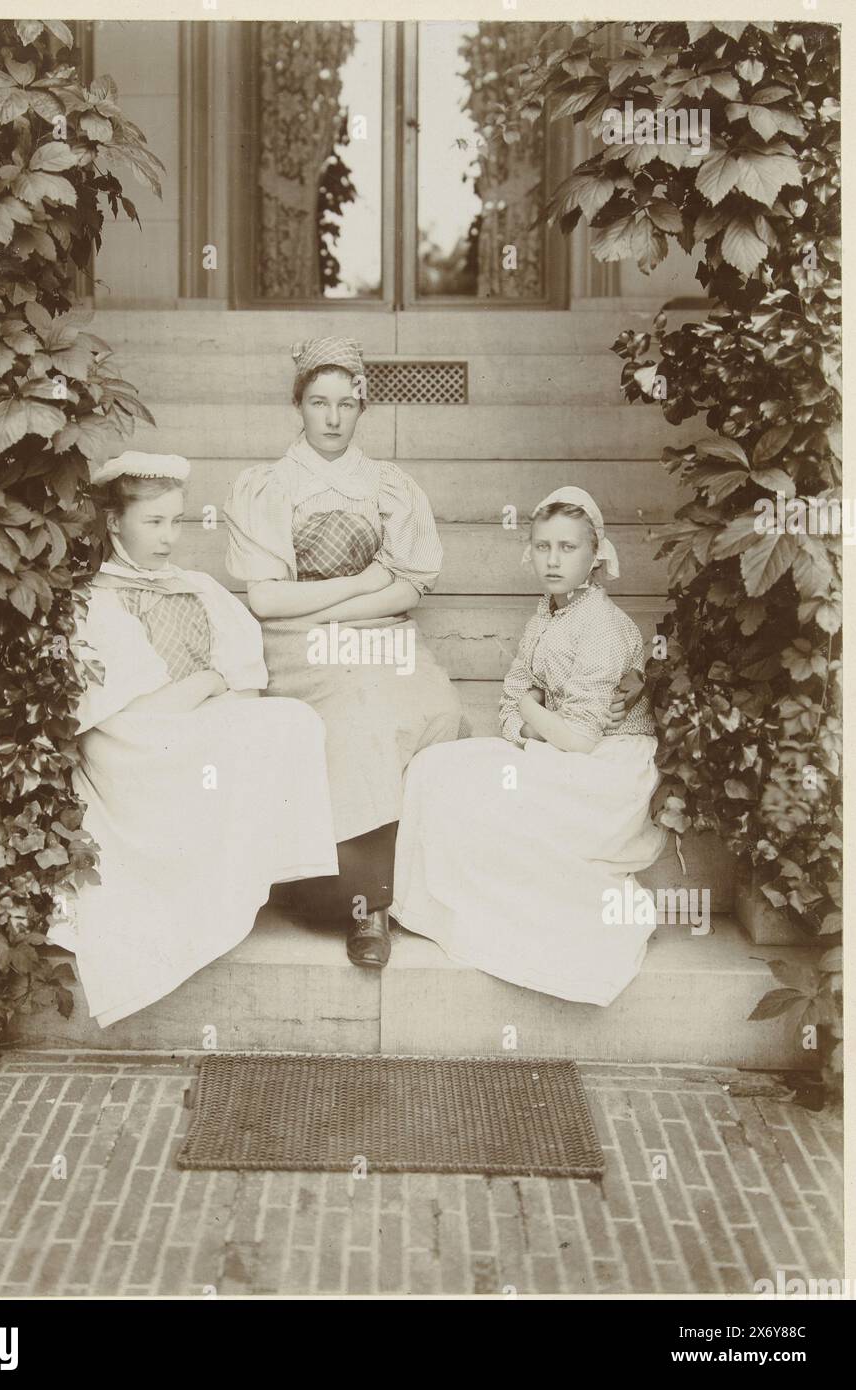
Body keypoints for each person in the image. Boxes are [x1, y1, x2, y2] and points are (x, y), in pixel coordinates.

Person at [49, 449, 339, 1027]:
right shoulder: (97, 600)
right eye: (152, 523)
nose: (167, 538)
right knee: (195, 727)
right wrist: (209, 679)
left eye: (174, 521)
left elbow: (247, 687)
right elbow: (135, 710)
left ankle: (252, 877)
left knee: (291, 721)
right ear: (115, 523)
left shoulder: (197, 588)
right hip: (129, 750)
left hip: (188, 729)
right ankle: (194, 894)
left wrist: (214, 694)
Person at [223, 337, 464, 969]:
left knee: (431, 702)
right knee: (355, 707)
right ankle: (364, 909)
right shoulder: (268, 485)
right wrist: (360, 586)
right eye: (318, 402)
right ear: (298, 405)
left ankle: (419, 890)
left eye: (346, 404)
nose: (332, 417)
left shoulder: (388, 485)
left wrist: (338, 607)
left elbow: (410, 584)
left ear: (362, 408)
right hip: (298, 643)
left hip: (377, 629)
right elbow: (269, 602)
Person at [390, 487, 669, 1007]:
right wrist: (527, 719)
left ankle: (504, 922)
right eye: (543, 547)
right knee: (432, 766)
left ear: (595, 555)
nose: (553, 560)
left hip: (606, 771)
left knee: (480, 791)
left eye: (568, 547)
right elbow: (508, 701)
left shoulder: (603, 627)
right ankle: (438, 908)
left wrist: (532, 713)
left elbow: (580, 737)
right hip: (560, 748)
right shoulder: (546, 615)